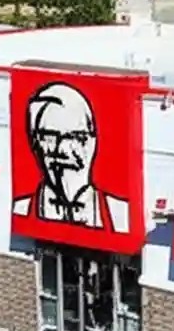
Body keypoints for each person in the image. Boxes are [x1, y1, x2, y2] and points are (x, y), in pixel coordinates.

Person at [12, 82, 130, 232]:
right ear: (35, 144)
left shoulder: (120, 215)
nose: (63, 149)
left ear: (92, 142)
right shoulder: (19, 210)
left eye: (76, 137)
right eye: (50, 136)